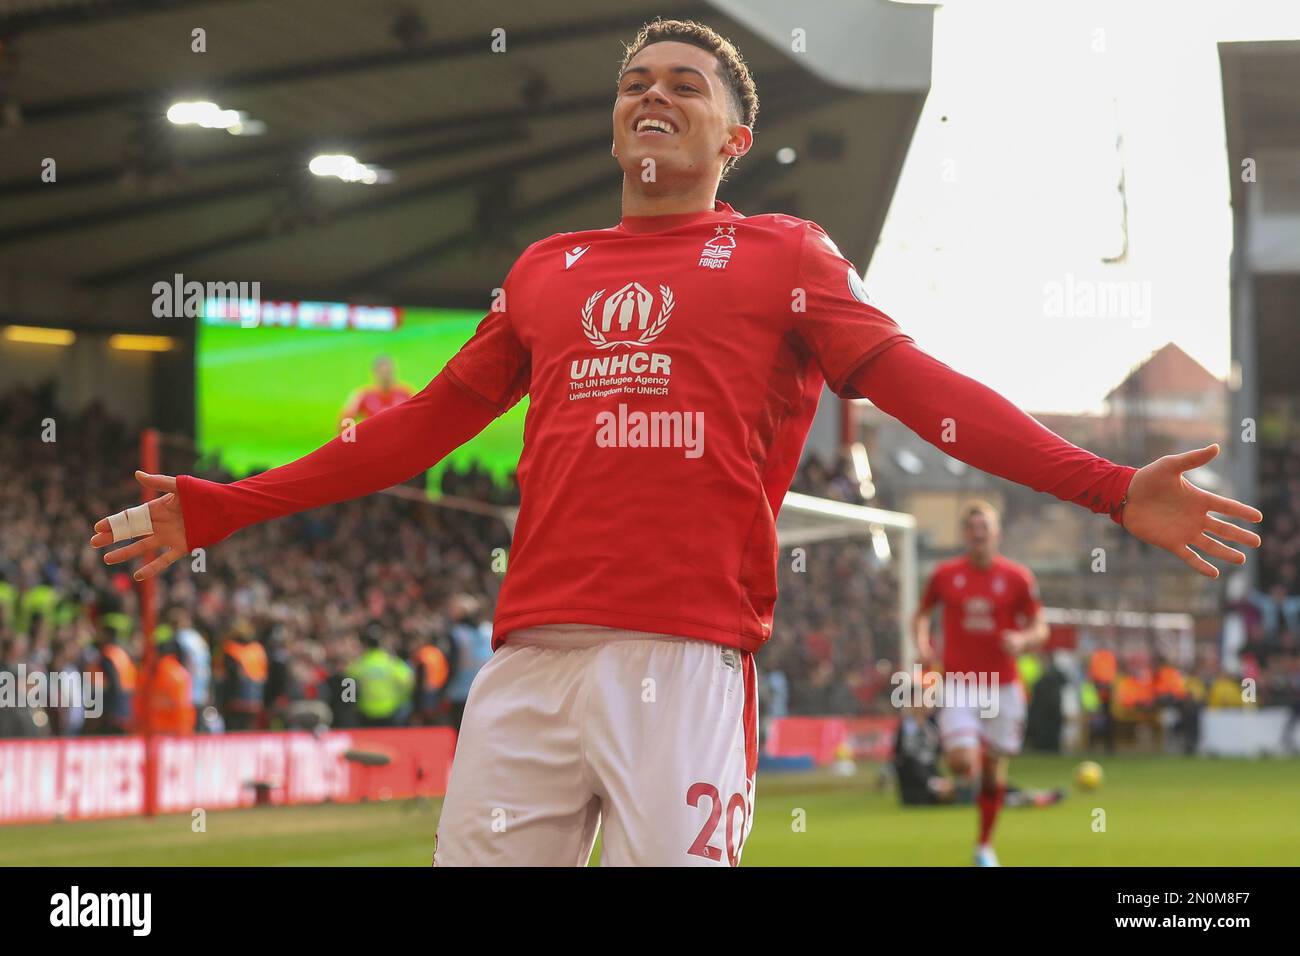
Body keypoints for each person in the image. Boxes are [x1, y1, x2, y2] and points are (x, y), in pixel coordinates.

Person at [90, 19, 1262, 866]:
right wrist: (220, 505)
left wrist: (1107, 487)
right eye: (634, 82)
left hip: (684, 660)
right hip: (527, 666)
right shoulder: (542, 271)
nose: (653, 95)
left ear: (732, 134)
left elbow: (925, 392)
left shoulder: (785, 259)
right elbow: (421, 433)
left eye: (685, 85)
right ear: (614, 123)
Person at [913, 501, 1050, 867]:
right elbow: (923, 614)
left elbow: (1041, 627)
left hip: (1004, 686)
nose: (978, 534)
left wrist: (1022, 641)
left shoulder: (1018, 577)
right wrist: (923, 644)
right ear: (964, 534)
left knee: (992, 773)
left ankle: (984, 845)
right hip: (960, 681)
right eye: (972, 528)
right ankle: (964, 764)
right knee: (960, 761)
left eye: (984, 527)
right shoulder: (944, 575)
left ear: (996, 533)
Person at [345, 623, 414, 727]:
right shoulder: (392, 663)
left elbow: (347, 689)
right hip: (390, 710)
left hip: (366, 711)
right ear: (382, 643)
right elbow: (408, 681)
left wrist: (353, 704)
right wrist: (401, 699)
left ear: (365, 644)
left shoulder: (358, 665)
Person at [338, 355, 414, 431]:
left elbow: (417, 416)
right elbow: (345, 421)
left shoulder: (405, 392)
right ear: (374, 373)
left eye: (388, 372)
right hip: (375, 438)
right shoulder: (364, 394)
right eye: (382, 372)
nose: (385, 377)